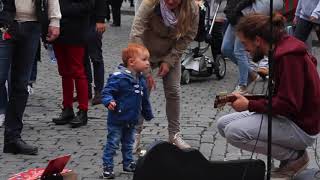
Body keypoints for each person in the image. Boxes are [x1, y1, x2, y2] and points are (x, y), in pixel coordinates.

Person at [217, 13, 320, 179]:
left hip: (301, 127)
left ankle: (294, 158)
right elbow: (281, 97)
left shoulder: (288, 57)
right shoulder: (280, 50)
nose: (245, 49)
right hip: (290, 118)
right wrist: (248, 99)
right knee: (223, 124)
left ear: (258, 40)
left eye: (245, 43)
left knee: (233, 132)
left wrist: (249, 105)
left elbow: (288, 105)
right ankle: (292, 155)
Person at [129, 0, 199, 151]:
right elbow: (136, 33)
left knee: (173, 91)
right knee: (141, 91)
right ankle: (135, 133)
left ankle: (174, 135)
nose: (171, 1)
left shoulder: (191, 8)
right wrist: (145, 69)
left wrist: (169, 61)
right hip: (145, 52)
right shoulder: (149, 4)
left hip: (170, 52)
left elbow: (188, 36)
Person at [1, 0, 61, 155]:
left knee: (21, 84)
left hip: (32, 25)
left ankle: (12, 138)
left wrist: (54, 20)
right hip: (4, 21)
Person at [101, 44, 154, 179]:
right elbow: (107, 91)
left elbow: (144, 99)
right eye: (144, 59)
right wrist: (109, 101)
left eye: (148, 59)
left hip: (131, 119)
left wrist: (147, 113)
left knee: (128, 143)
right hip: (117, 119)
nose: (148, 62)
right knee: (113, 143)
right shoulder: (118, 77)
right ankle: (108, 166)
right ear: (131, 62)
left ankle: (128, 163)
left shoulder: (140, 79)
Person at [52, 0, 94, 128]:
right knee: (64, 72)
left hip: (76, 31)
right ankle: (67, 108)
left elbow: (87, 5)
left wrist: (59, 11)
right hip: (58, 31)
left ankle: (83, 110)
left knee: (78, 72)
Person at [85, 0, 107, 106]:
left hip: (93, 20)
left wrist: (100, 19)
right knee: (81, 57)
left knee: (96, 57)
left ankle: (99, 91)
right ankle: (86, 89)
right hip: (79, 20)